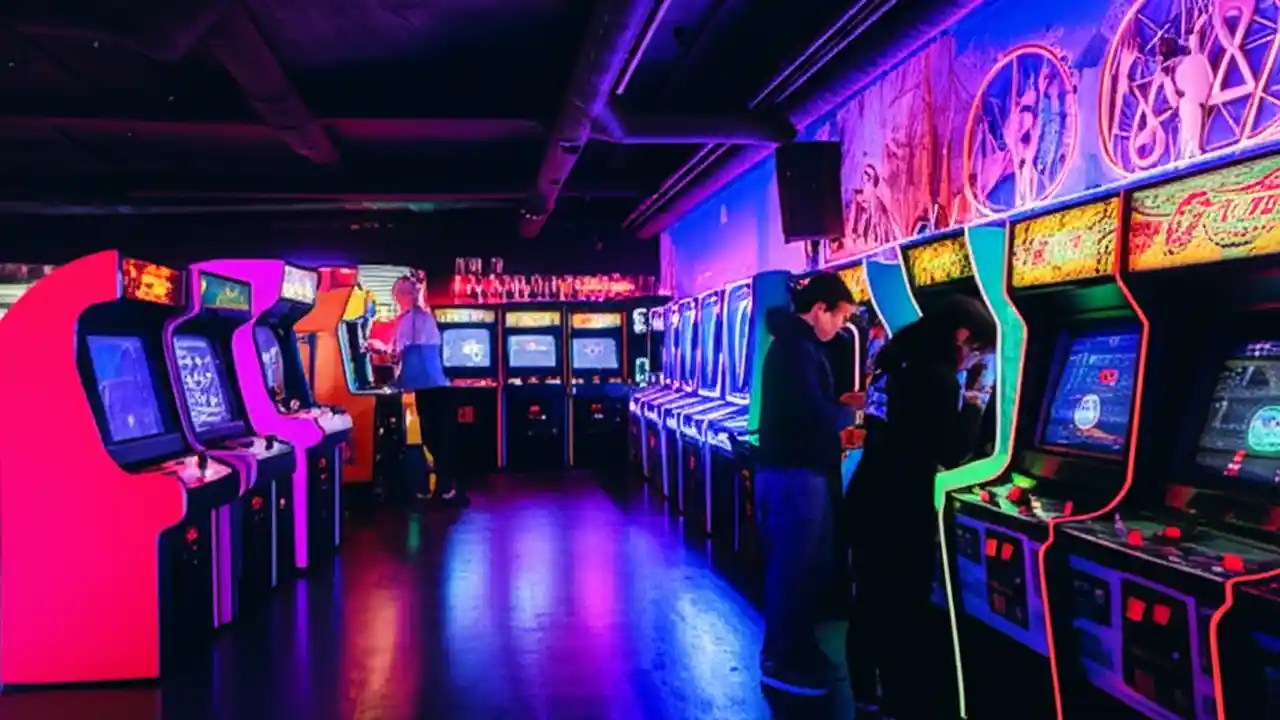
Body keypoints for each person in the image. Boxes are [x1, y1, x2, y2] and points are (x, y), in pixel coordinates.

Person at [844, 295, 995, 719]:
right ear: (961, 336)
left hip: (868, 495)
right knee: (900, 605)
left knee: (869, 598)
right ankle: (897, 697)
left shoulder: (896, 359)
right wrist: (976, 402)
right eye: (976, 349)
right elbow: (950, 450)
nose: (972, 359)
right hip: (901, 505)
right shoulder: (937, 376)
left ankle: (863, 690)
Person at [756, 271, 858, 696]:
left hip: (785, 470)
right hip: (795, 474)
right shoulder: (798, 350)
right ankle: (782, 660)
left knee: (795, 567)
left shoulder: (791, 344)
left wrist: (837, 409)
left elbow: (805, 408)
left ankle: (795, 650)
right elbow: (811, 416)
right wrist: (850, 415)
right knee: (795, 568)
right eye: (840, 317)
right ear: (819, 310)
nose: (840, 327)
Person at [388, 273, 467, 506]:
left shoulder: (412, 320)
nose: (398, 298)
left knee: (436, 439)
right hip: (434, 386)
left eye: (399, 294)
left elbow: (405, 355)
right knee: (436, 439)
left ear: (407, 295)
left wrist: (390, 365)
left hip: (431, 386)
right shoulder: (420, 317)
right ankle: (441, 488)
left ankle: (443, 489)